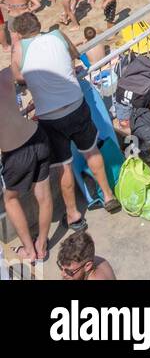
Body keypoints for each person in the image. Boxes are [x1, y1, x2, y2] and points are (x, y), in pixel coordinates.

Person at [10, 14, 121, 224]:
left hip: (50, 117)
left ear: (18, 33)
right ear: (39, 24)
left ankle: (73, 215)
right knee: (91, 151)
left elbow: (18, 77)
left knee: (64, 166)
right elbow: (75, 54)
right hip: (76, 105)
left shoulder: (19, 49)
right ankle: (108, 196)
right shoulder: (57, 35)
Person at [0, 63, 53, 265]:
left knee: (10, 199)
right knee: (44, 195)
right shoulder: (5, 75)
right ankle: (42, 246)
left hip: (16, 153)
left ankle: (29, 251)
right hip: (37, 136)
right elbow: (27, 68)